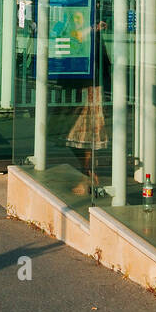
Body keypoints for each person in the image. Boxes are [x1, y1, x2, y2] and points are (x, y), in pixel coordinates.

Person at [67, 20, 112, 196]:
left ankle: (87, 173)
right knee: (75, 134)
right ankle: (87, 172)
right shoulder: (80, 31)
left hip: (92, 91)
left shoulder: (95, 39)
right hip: (84, 89)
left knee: (87, 135)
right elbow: (74, 39)